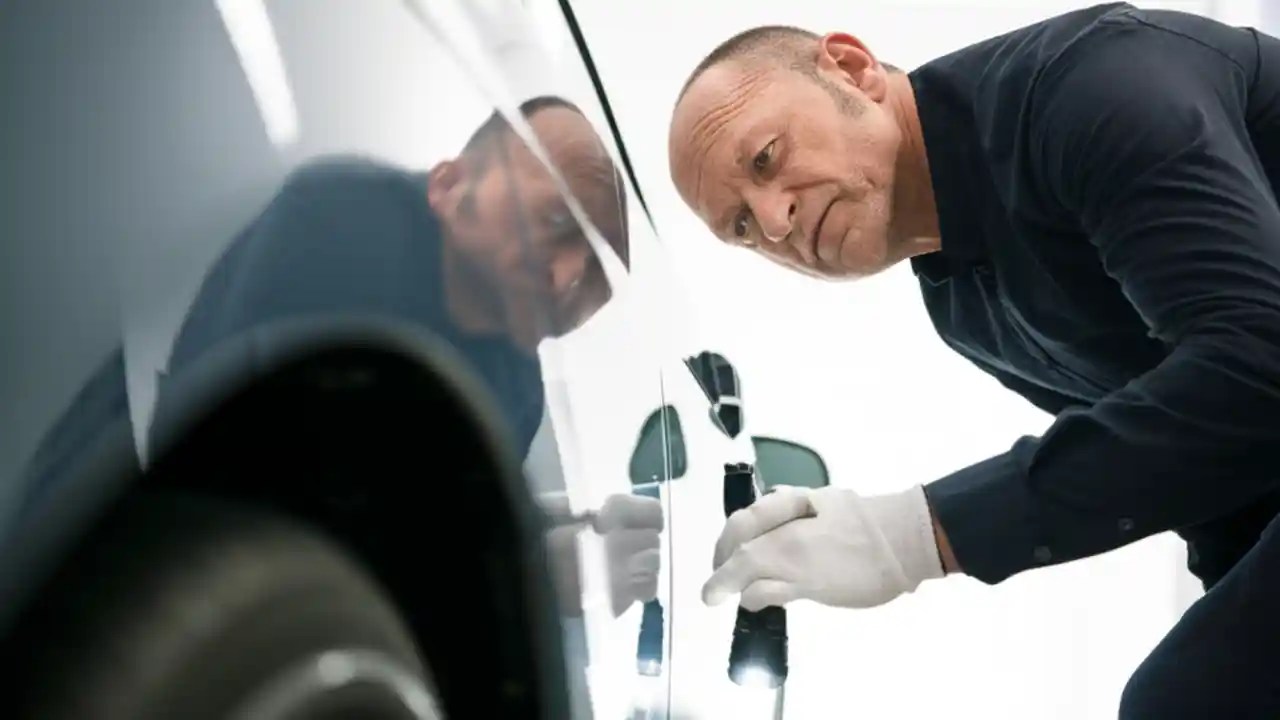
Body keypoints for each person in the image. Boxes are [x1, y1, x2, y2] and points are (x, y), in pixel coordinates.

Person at [667, 3, 1280, 717]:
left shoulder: (1095, 89)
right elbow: (1217, 479)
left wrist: (920, 532)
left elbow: (1260, 364)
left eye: (767, 157)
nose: (776, 222)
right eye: (742, 226)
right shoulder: (964, 311)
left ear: (854, 68)